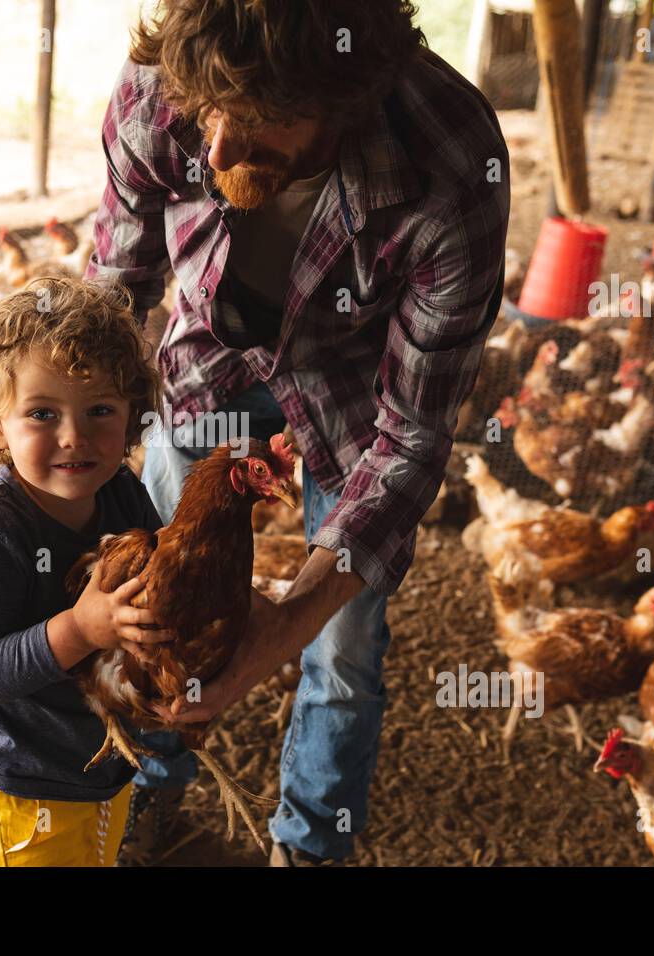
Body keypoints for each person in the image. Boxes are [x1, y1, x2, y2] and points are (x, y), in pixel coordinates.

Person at [86, 0, 510, 866]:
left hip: (353, 392)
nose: (218, 154)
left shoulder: (453, 165)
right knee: (158, 614)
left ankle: (311, 845)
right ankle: (148, 797)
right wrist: (53, 470)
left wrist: (281, 632)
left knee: (343, 648)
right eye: (210, 116)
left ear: (352, 95)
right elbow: (113, 297)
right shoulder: (158, 87)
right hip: (209, 367)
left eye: (264, 126)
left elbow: (412, 439)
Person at [0, 276, 174, 866]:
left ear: (133, 415)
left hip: (107, 766)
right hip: (29, 785)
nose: (74, 437)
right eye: (42, 413)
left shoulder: (122, 493)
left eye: (100, 410)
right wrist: (80, 630)